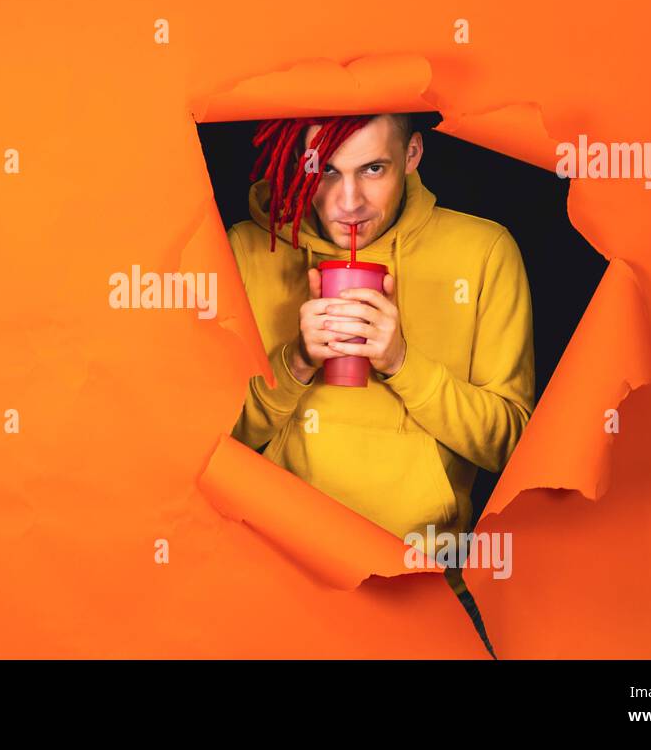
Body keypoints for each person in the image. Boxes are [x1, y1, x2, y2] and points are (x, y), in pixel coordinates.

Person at [225, 113, 535, 649]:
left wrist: (400, 363)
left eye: (373, 168)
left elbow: (512, 446)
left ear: (413, 155)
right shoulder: (247, 251)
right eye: (324, 171)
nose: (349, 202)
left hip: (424, 586)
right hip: (275, 583)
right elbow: (208, 446)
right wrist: (296, 363)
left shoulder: (484, 252)